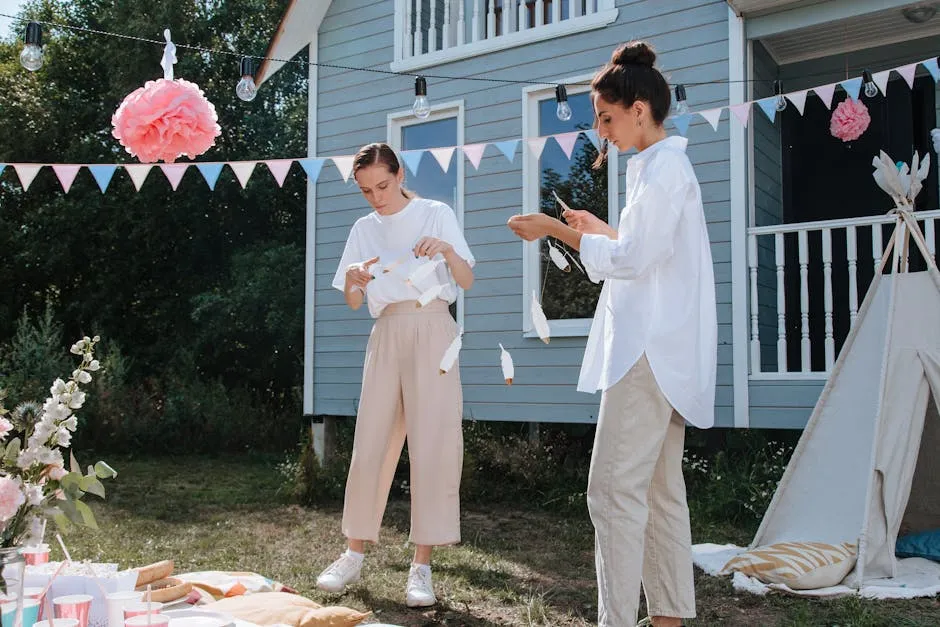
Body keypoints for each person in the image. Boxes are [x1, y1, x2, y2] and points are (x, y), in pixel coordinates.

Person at [507, 41, 717, 627]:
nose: (601, 131)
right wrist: (599, 228)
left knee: (611, 493)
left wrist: (556, 229)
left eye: (606, 117)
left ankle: (619, 620)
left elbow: (632, 258)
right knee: (657, 493)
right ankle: (670, 616)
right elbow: (642, 250)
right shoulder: (657, 168)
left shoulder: (665, 167)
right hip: (661, 350)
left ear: (640, 109)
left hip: (648, 352)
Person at [317, 142, 475, 608]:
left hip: (433, 327)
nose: (376, 197)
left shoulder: (435, 213)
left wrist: (446, 250)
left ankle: (421, 566)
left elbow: (465, 281)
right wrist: (353, 281)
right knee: (371, 443)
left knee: (433, 444)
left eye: (382, 186)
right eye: (366, 190)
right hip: (386, 331)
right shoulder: (363, 228)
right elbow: (351, 300)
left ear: (399, 173)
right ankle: (353, 552)